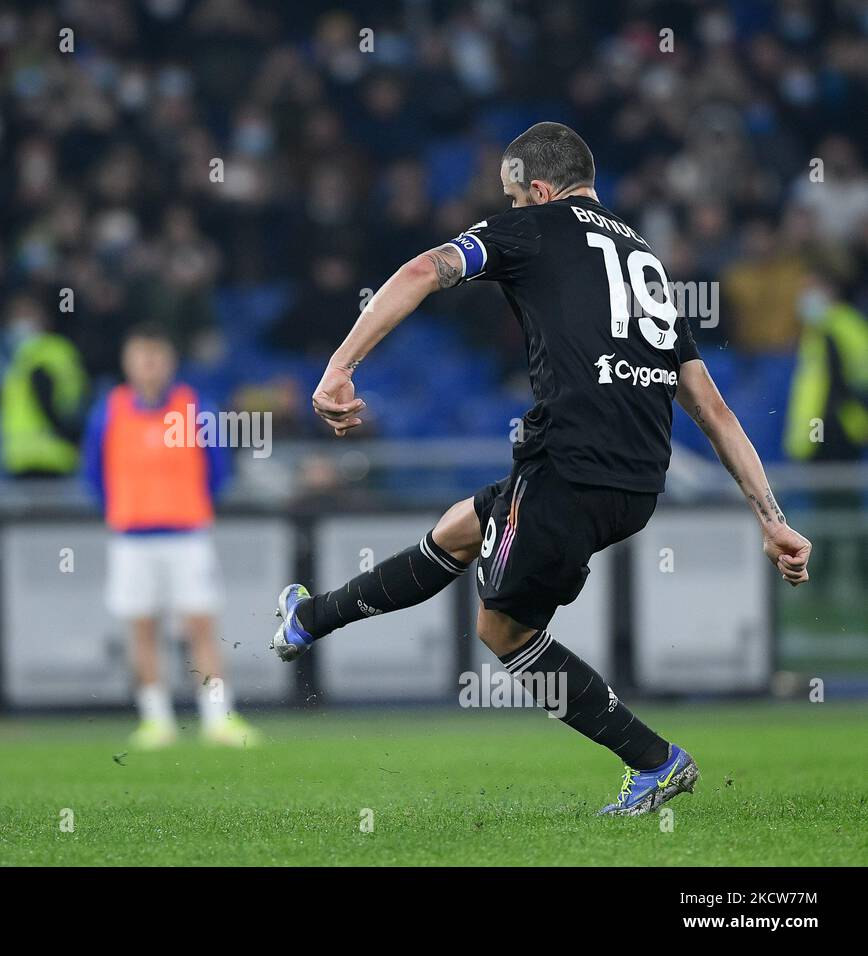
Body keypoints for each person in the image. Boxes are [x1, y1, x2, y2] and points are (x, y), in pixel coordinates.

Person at [270, 123, 813, 816]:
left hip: (571, 466)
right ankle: (308, 619)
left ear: (541, 188)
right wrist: (773, 520)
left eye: (512, 196)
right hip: (637, 481)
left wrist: (339, 369)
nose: (509, 208)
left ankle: (654, 760)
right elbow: (711, 406)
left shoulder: (534, 229)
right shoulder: (640, 256)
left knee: (502, 631)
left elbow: (418, 272)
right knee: (460, 529)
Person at [82, 325, 259, 749]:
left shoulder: (196, 409)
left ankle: (218, 718)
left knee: (201, 625)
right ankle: (155, 719)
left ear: (170, 362)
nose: (149, 365)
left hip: (186, 536)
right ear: (127, 362)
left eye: (156, 356)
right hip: (132, 539)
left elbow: (218, 472)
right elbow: (94, 475)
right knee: (142, 629)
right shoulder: (109, 411)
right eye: (141, 356)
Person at [783, 265, 868, 466]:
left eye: (810, 288)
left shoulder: (844, 326)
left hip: (838, 429)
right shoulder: (816, 330)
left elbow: (860, 378)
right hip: (818, 429)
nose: (804, 296)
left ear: (829, 290)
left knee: (838, 492)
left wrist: (845, 416)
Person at [0, 294, 88, 479]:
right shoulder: (21, 358)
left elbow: (50, 403)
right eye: (15, 317)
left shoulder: (49, 353)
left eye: (26, 315)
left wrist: (73, 438)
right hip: (21, 460)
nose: (19, 323)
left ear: (42, 318)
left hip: (52, 457)